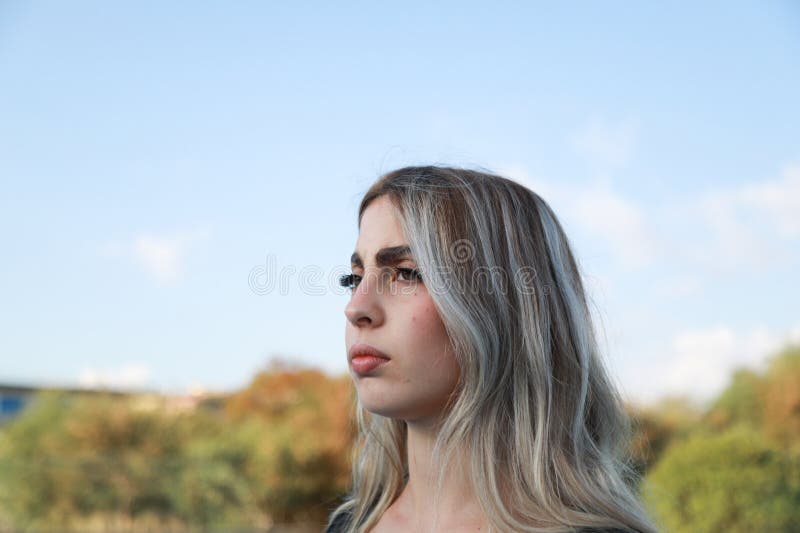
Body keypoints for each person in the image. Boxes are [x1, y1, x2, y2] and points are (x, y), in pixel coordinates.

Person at [326, 166, 659, 533]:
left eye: (407, 273)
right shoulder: (348, 525)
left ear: (507, 308)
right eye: (354, 279)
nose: (356, 308)